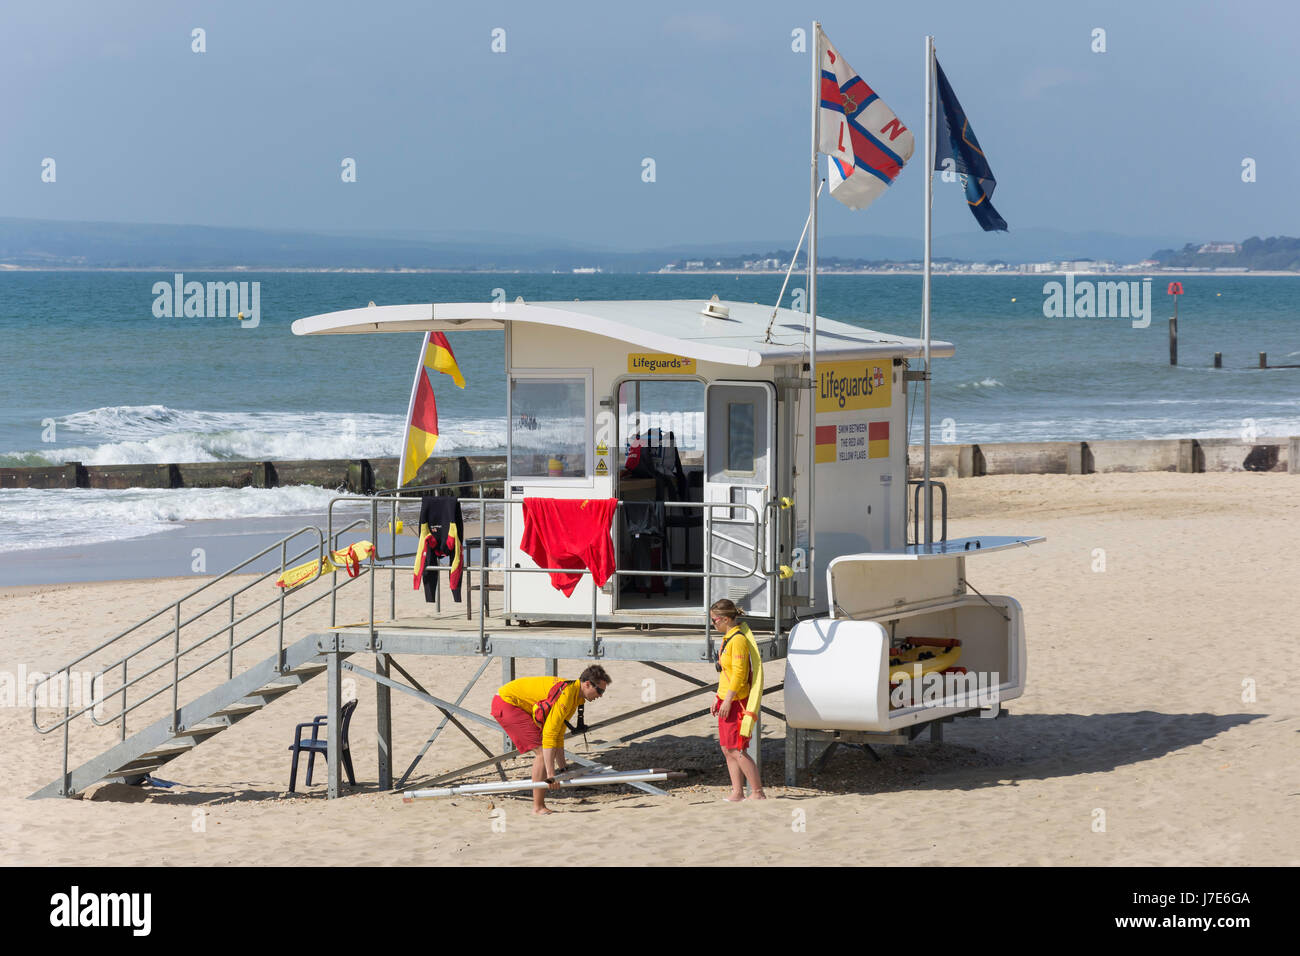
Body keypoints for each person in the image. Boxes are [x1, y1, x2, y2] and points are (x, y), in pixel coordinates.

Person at [490, 665, 612, 815]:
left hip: (514, 702)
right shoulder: (567, 695)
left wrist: (563, 769)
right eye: (599, 691)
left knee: (547, 747)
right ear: (587, 684)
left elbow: (558, 734)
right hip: (506, 703)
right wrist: (551, 775)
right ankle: (538, 807)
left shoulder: (576, 696)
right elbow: (549, 736)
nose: (600, 695)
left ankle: (542, 799)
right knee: (541, 752)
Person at [709, 599, 765, 801]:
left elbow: (740, 675)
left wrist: (727, 699)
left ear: (725, 619)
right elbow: (726, 674)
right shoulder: (728, 637)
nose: (712, 624)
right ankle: (737, 791)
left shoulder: (738, 640)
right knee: (727, 748)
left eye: (714, 621)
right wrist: (718, 696)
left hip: (736, 701)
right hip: (726, 699)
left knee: (737, 748)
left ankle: (757, 792)